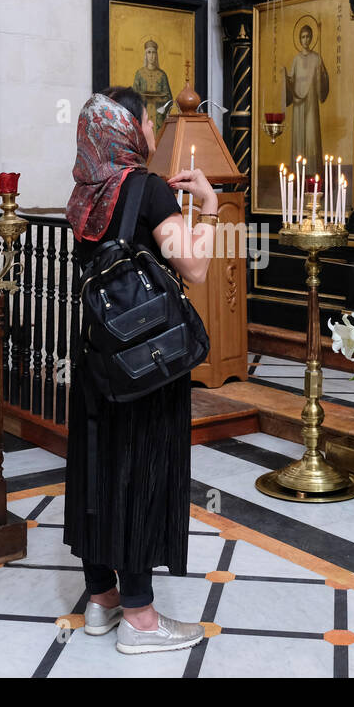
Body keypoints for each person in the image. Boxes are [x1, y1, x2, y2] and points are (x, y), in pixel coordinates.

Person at [64, 87, 218, 655]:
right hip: (145, 360)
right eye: (148, 121)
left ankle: (101, 598)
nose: (154, 131)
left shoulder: (84, 193)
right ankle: (142, 620)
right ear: (128, 127)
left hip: (96, 356)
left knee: (99, 464)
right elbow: (195, 267)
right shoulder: (146, 189)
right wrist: (211, 206)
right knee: (140, 470)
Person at [284, 23, 329, 174]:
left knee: (311, 136)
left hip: (311, 101)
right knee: (299, 135)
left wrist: (322, 74)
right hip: (298, 102)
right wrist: (285, 76)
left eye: (308, 36)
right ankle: (298, 172)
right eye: (303, 37)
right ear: (299, 39)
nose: (305, 40)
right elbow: (290, 80)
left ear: (311, 38)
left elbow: (323, 80)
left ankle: (312, 171)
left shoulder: (316, 58)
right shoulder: (296, 59)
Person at [130, 40, 174, 137]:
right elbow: (134, 97)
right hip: (144, 116)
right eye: (149, 52)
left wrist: (159, 100)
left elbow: (169, 99)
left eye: (154, 52)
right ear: (145, 54)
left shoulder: (162, 75)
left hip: (158, 117)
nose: (151, 55)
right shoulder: (140, 74)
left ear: (157, 55)